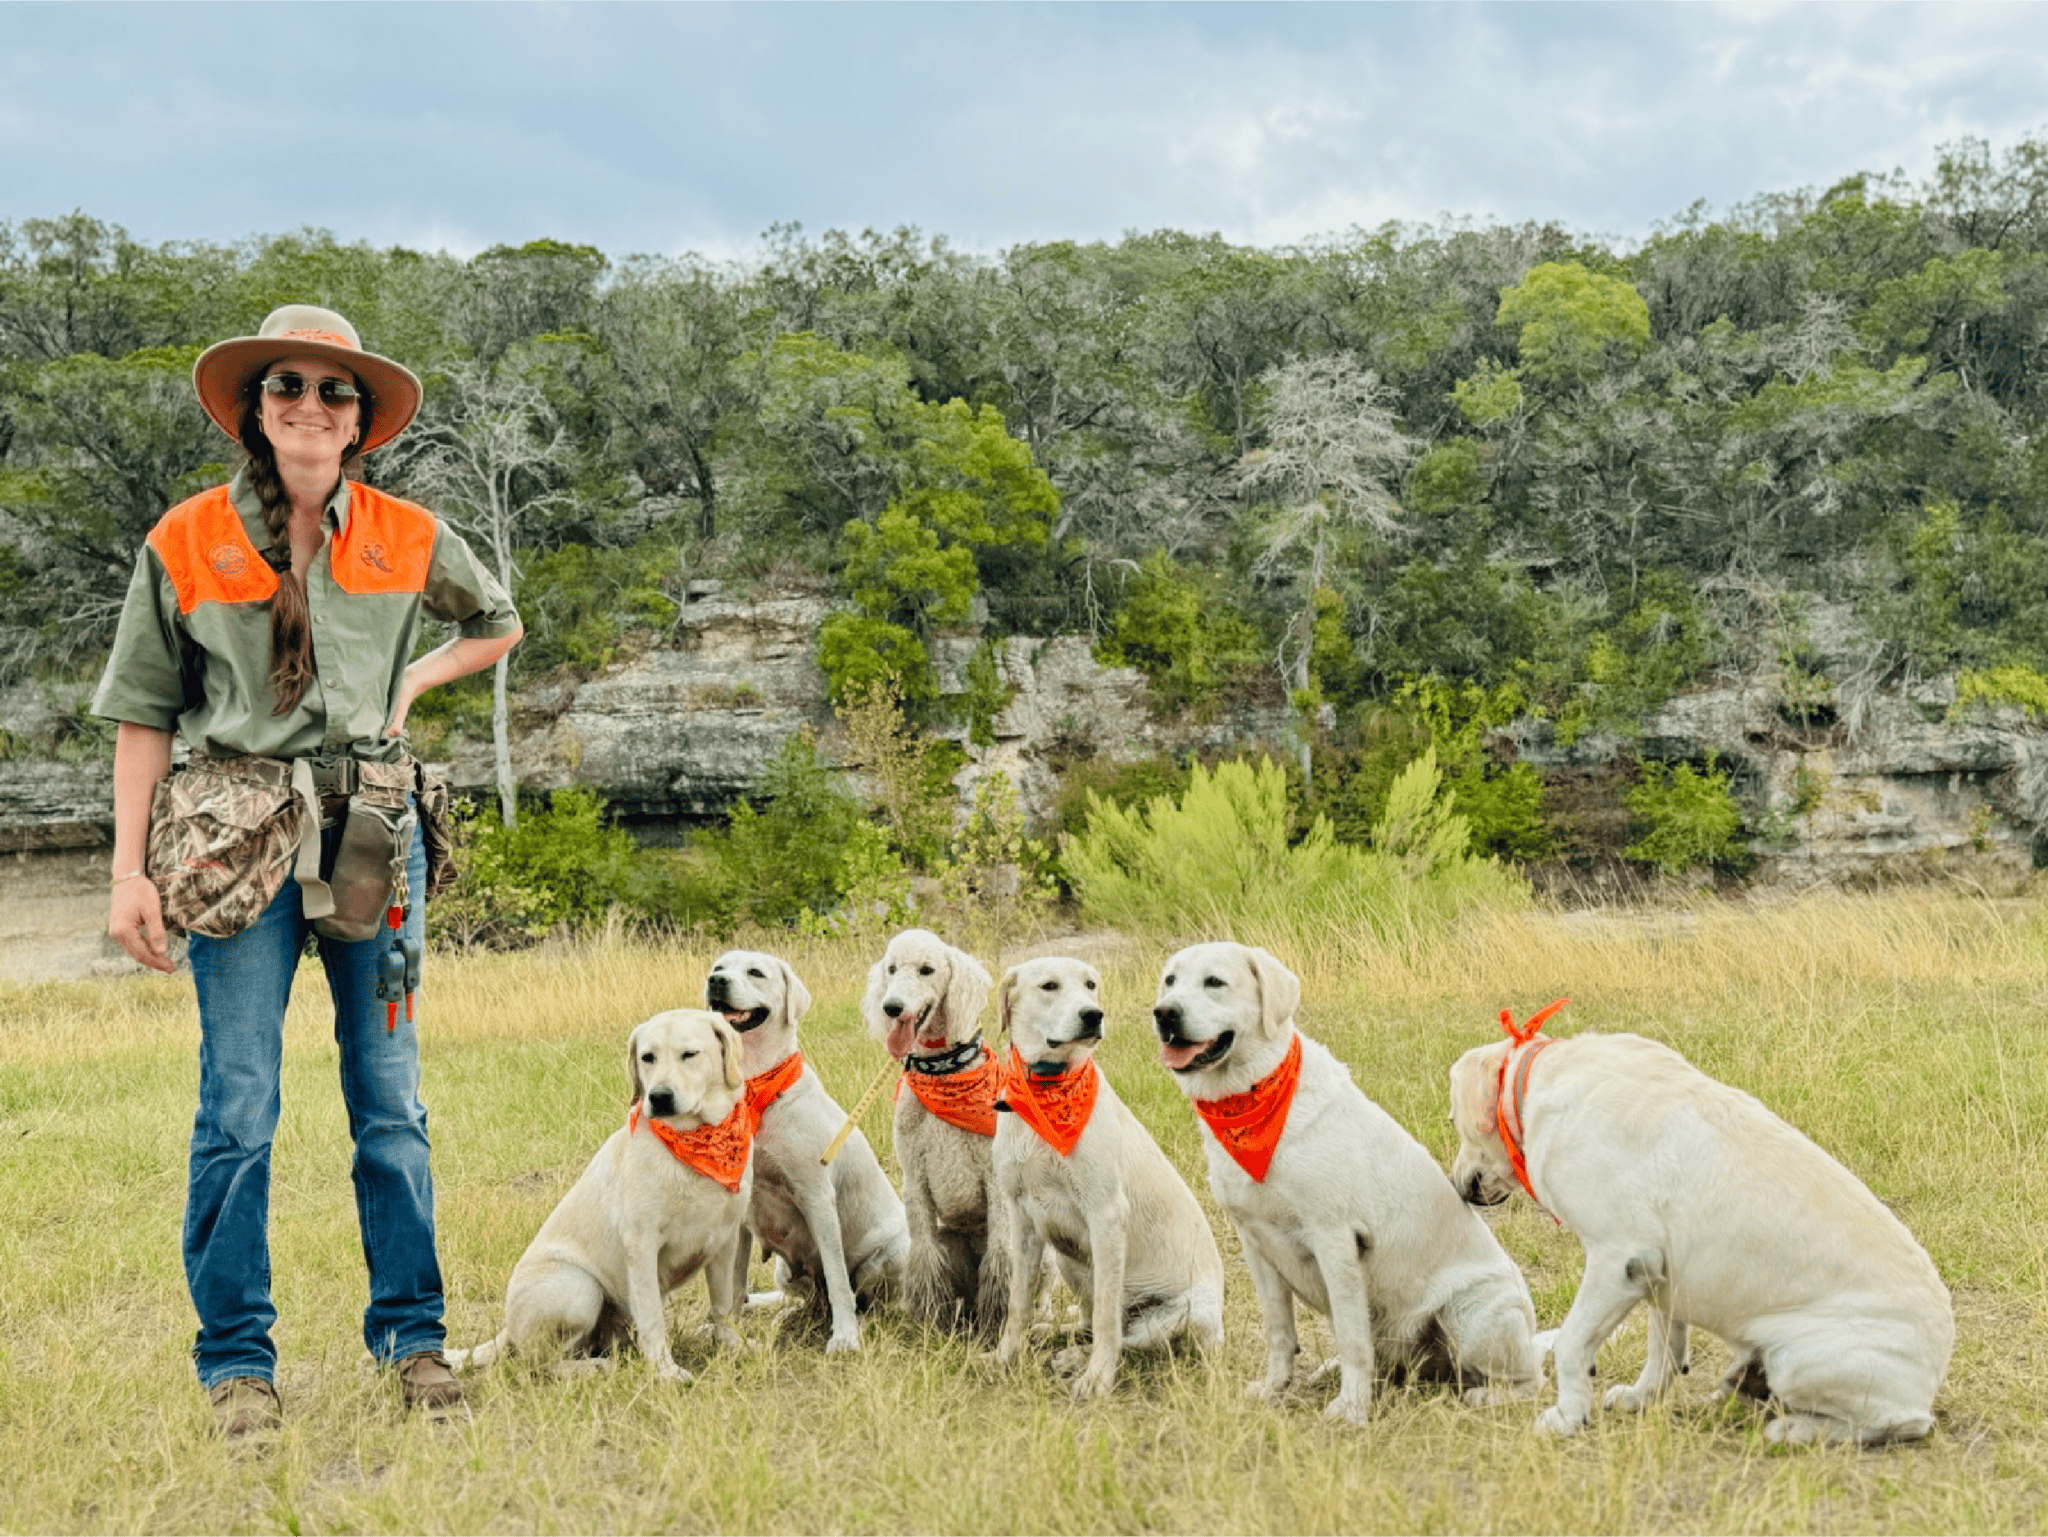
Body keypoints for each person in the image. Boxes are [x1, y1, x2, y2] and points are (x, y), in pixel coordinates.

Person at [93, 304, 523, 1438]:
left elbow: (498, 623)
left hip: (374, 829)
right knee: (238, 1104)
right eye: (287, 384)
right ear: (255, 407)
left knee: (389, 1099)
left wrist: (410, 685)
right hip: (236, 840)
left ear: (360, 419)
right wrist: (129, 874)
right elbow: (143, 713)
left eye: (336, 390)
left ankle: (413, 1340)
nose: (311, 406)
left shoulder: (404, 533)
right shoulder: (186, 538)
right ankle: (237, 1362)